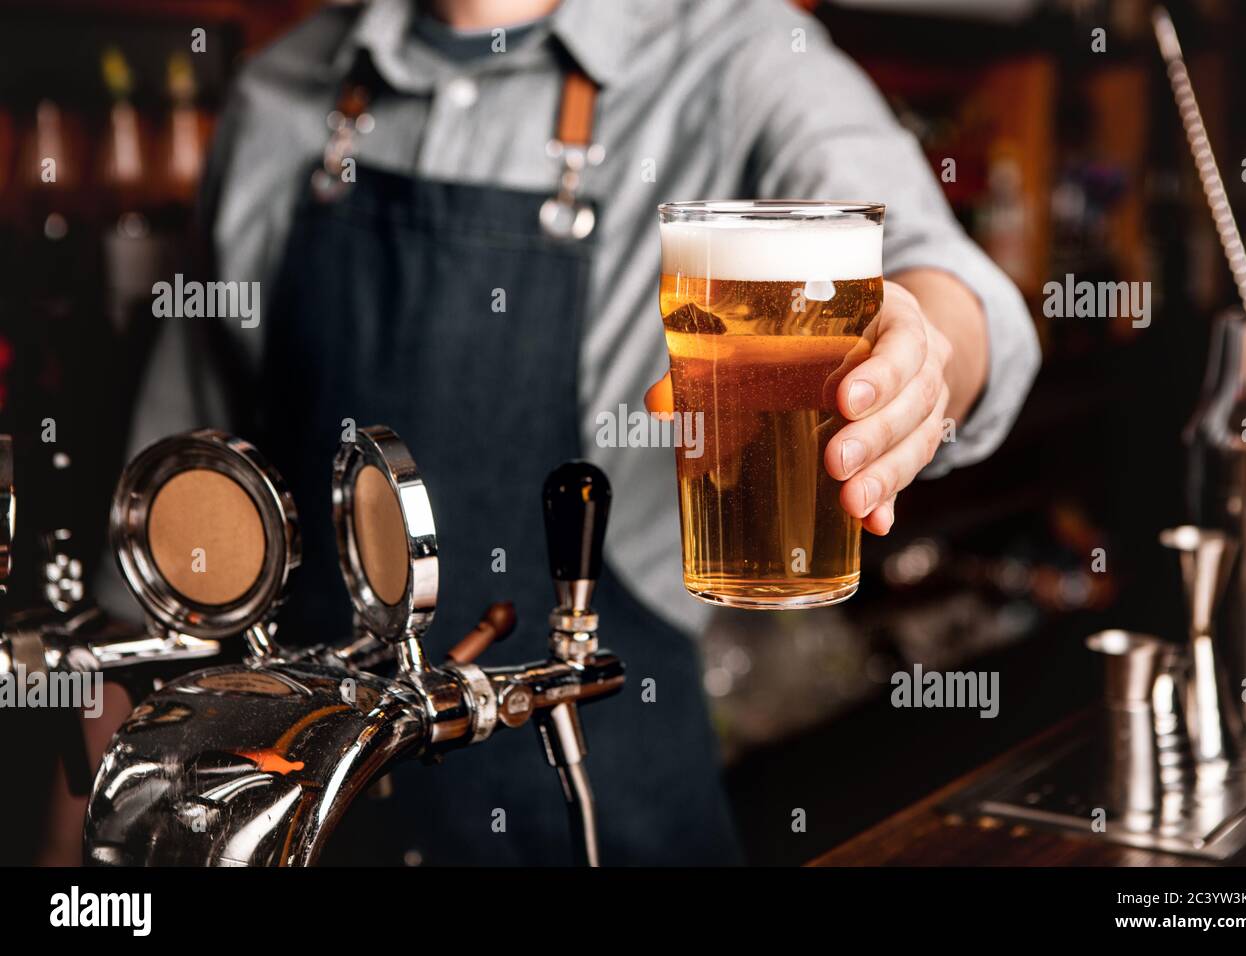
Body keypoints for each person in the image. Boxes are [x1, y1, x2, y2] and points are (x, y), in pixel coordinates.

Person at [113, 0, 1040, 865]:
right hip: (303, 825)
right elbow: (165, 558)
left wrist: (922, 353)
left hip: (606, 800)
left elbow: (936, 270)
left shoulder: (741, 56)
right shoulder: (279, 88)